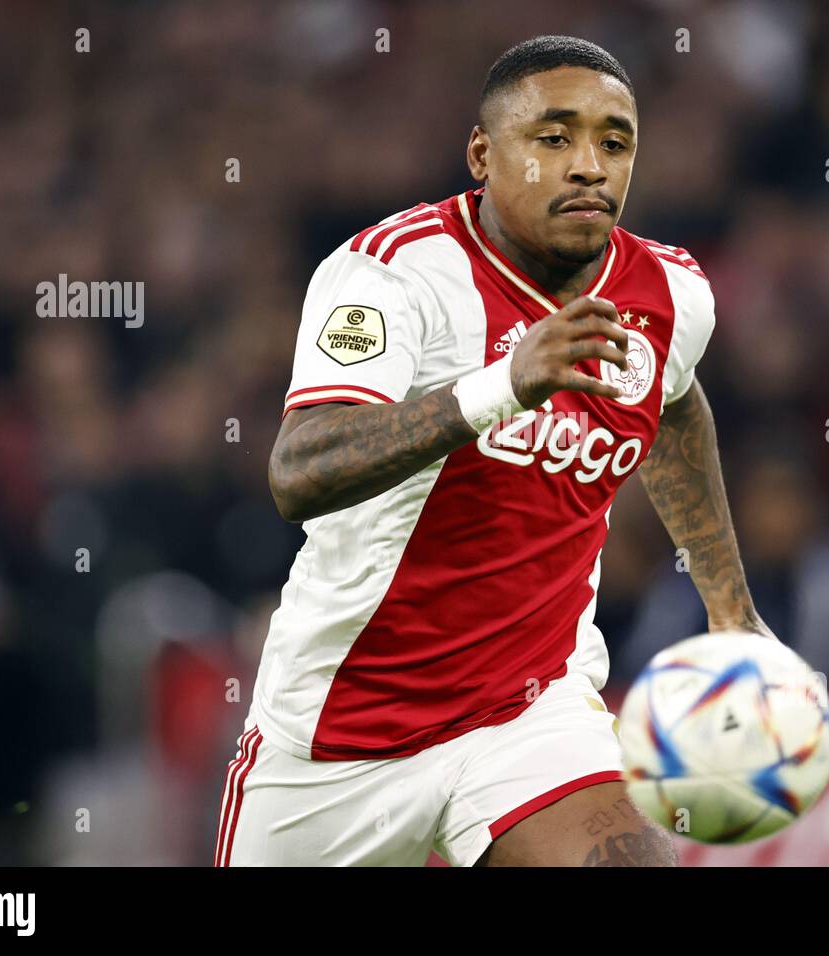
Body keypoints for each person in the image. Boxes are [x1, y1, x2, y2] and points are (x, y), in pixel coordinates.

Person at [216, 35, 769, 867]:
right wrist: (503, 386)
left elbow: (678, 405)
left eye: (613, 144)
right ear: (483, 152)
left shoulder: (671, 295)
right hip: (338, 738)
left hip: (528, 715)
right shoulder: (391, 275)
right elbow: (300, 471)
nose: (589, 165)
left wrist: (730, 607)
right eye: (554, 138)